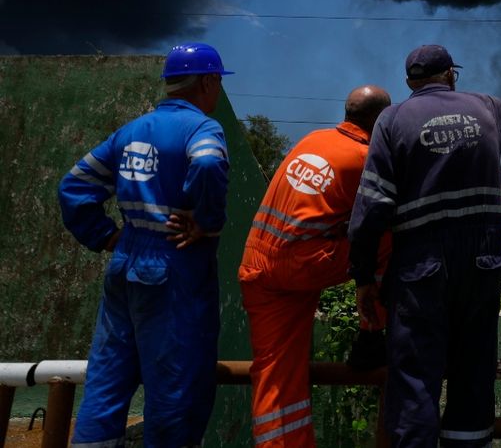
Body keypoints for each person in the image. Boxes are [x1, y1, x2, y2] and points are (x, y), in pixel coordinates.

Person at [348, 44, 501, 448]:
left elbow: (372, 206)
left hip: (420, 267)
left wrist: (362, 275)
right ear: (451, 75)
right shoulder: (486, 108)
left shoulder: (392, 121)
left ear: (410, 83)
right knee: (472, 370)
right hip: (482, 262)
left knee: (414, 375)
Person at [58, 43, 233, 447]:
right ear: (209, 82)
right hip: (174, 265)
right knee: (176, 387)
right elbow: (207, 162)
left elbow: (74, 186)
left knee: (108, 379)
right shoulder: (202, 129)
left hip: (124, 262)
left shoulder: (132, 130)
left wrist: (107, 235)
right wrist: (206, 223)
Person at [239, 84, 393, 447]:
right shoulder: (365, 157)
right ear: (381, 119)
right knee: (390, 237)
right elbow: (373, 224)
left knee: (275, 372)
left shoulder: (313, 139)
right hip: (301, 263)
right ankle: (373, 334)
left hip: (258, 264)